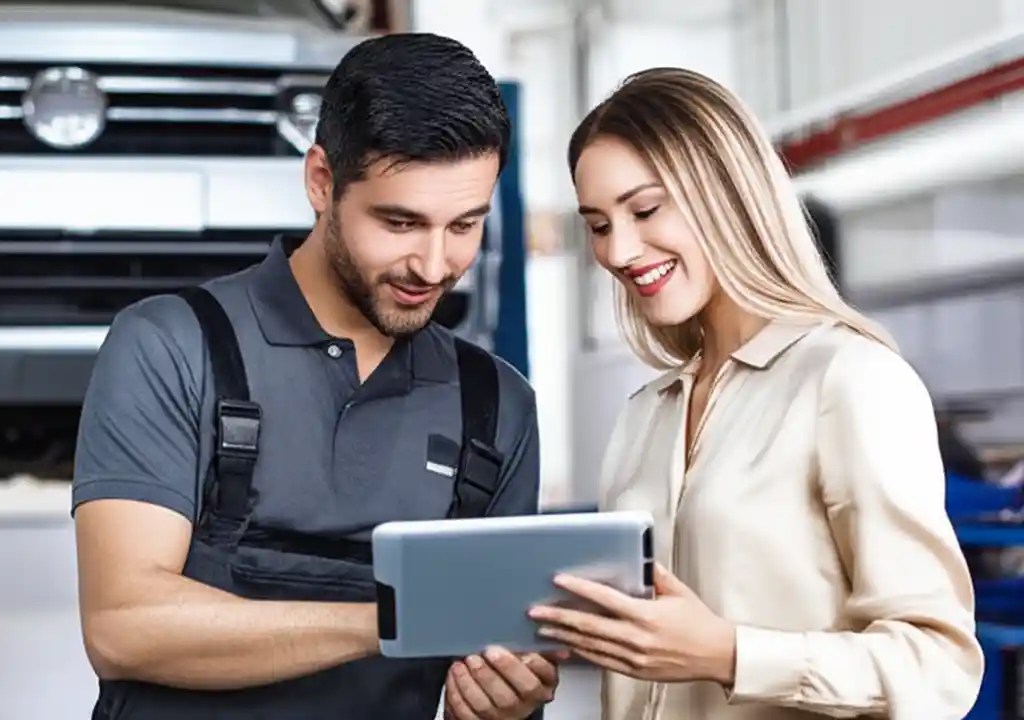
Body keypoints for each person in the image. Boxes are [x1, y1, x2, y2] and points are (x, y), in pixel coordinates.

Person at [70, 32, 559, 720]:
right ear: (321, 182)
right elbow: (125, 625)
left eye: (465, 226)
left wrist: (503, 703)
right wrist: (395, 619)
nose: (433, 264)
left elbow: (497, 670)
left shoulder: (497, 406)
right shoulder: (170, 346)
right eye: (399, 222)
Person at [526, 67, 984, 720]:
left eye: (646, 209)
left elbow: (938, 668)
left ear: (726, 194)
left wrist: (729, 655)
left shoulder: (849, 379)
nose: (620, 250)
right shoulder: (645, 415)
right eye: (598, 225)